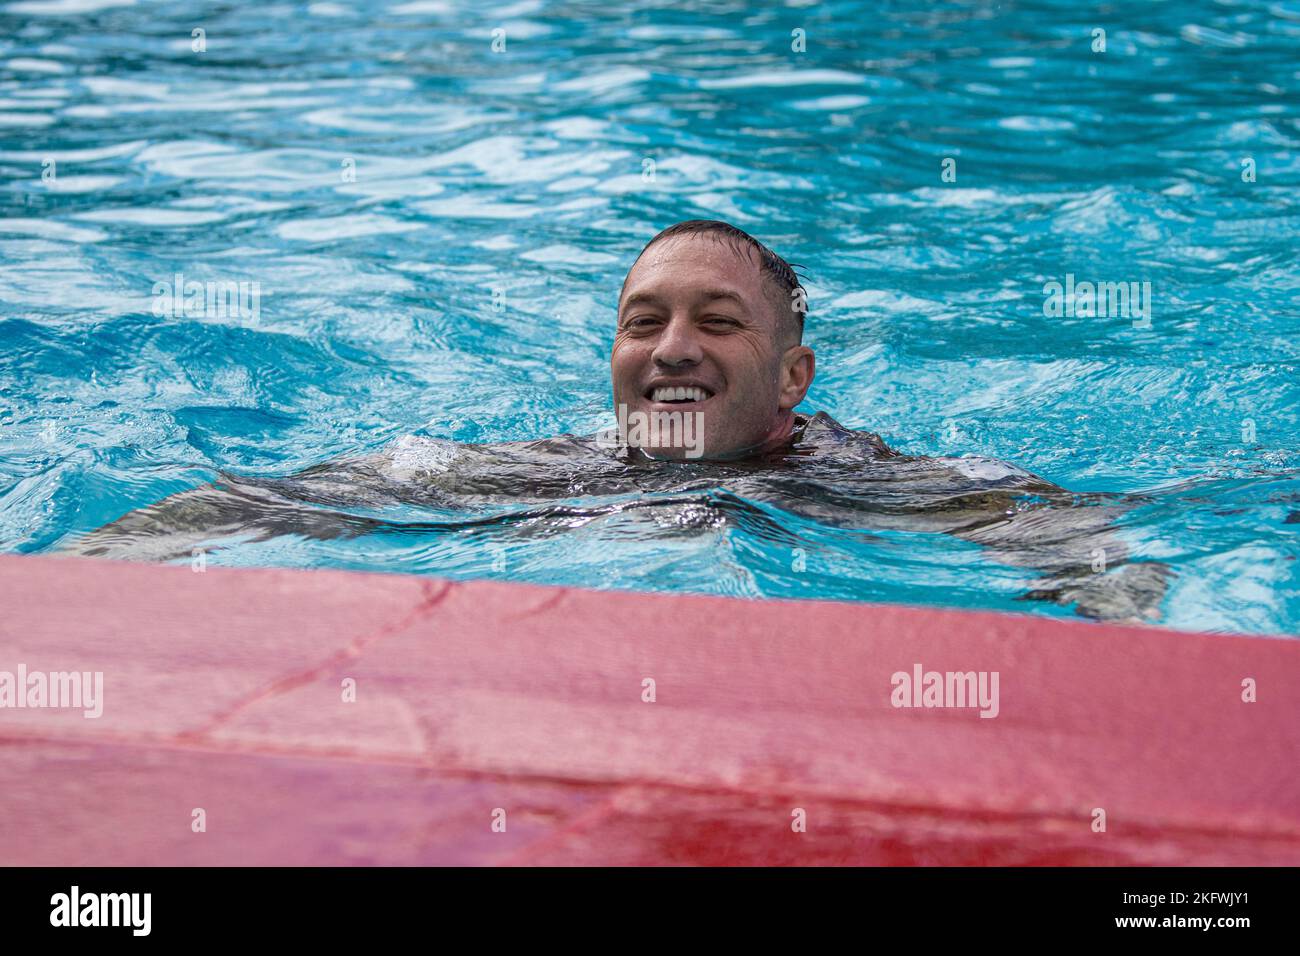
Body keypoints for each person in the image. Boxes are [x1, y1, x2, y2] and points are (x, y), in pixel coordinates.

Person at [63, 220, 1169, 622]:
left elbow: (1060, 527)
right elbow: (316, 495)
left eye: (715, 322)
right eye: (643, 321)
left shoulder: (862, 479)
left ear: (793, 378)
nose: (672, 346)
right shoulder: (552, 467)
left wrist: (1114, 603)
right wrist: (87, 564)